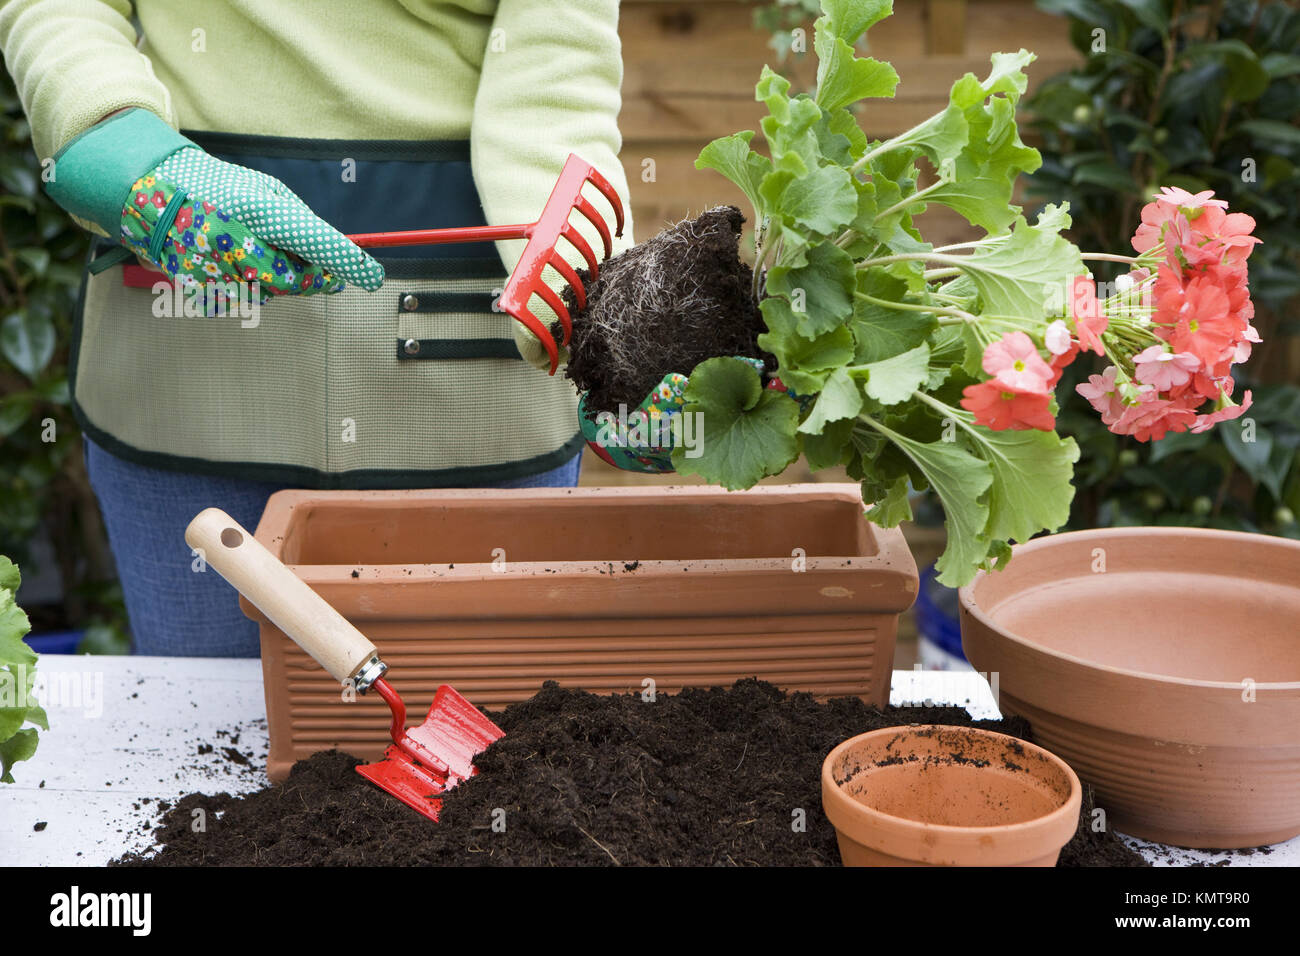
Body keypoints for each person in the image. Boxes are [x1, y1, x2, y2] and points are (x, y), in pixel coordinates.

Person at [0, 0, 633, 656]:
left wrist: (606, 329)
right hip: (188, 371)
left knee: (496, 739)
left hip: (475, 401)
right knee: (196, 729)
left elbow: (555, 82)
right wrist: (128, 158)